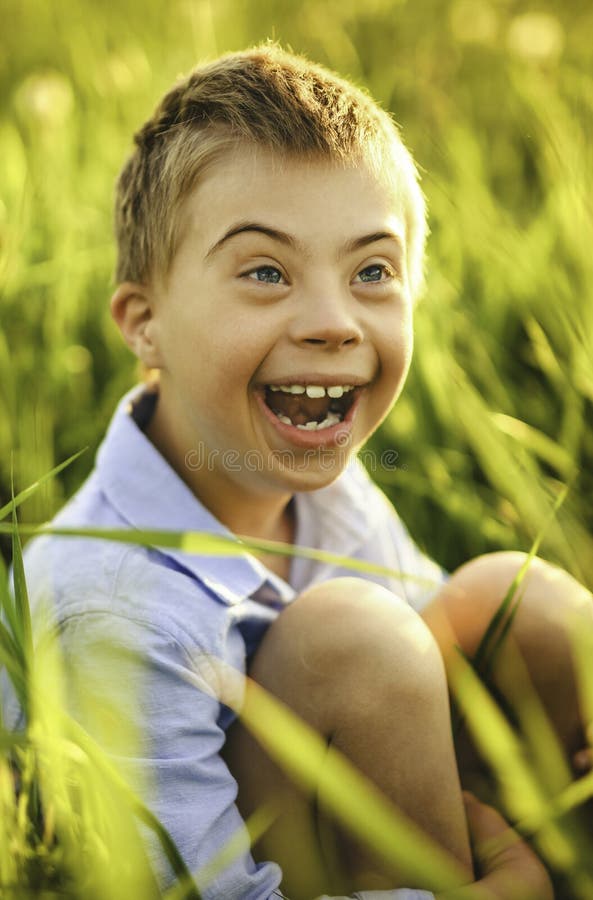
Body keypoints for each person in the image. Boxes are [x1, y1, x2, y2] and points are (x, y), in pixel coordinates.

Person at [11, 43, 591, 898]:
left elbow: (415, 696)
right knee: (352, 636)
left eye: (371, 272)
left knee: (520, 601)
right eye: (265, 271)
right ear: (144, 324)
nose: (333, 322)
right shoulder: (112, 612)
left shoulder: (327, 485)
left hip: (337, 809)